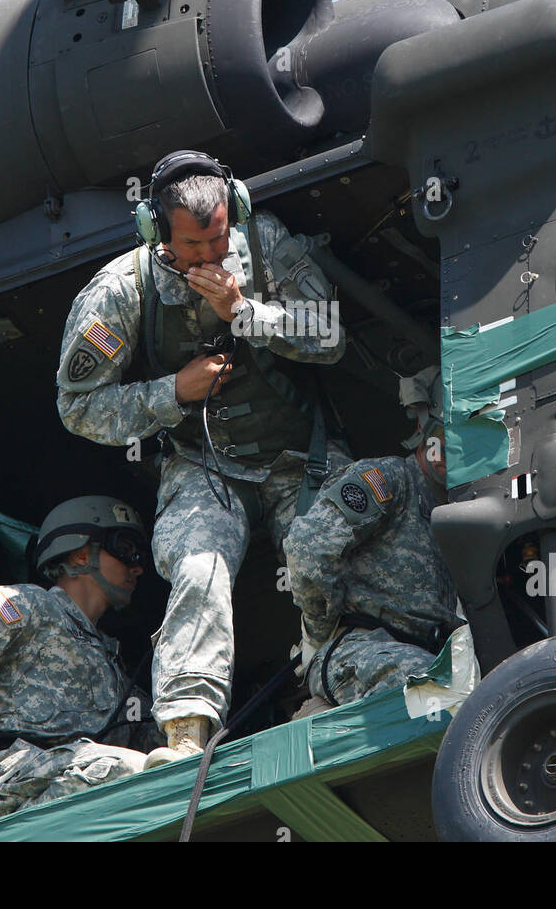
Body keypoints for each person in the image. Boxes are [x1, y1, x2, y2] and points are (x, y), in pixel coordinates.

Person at [55, 149, 347, 765]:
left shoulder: (264, 246)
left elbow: (329, 335)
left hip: (300, 456)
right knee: (198, 569)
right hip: (202, 465)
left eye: (218, 240)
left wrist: (245, 312)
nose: (210, 257)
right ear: (156, 233)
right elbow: (78, 406)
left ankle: (337, 686)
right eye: (193, 247)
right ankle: (186, 733)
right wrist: (172, 392)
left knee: (327, 554)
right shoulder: (122, 291)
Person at [0, 497, 160, 827]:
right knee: (128, 770)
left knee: (164, 772)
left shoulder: (112, 665)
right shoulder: (28, 604)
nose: (138, 567)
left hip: (80, 782)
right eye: (126, 549)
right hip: (12, 775)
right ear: (82, 554)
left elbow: (158, 744)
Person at [283, 368, 461, 708]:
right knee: (435, 688)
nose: (453, 451)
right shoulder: (389, 478)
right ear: (423, 426)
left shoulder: (464, 510)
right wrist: (318, 633)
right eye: (446, 436)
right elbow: (308, 546)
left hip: (432, 654)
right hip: (359, 649)